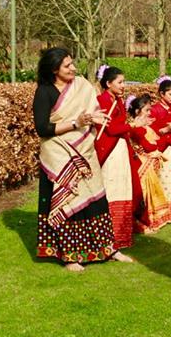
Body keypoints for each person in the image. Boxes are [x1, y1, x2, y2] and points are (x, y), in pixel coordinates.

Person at [32, 48, 131, 271]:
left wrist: (93, 118)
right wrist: (76, 123)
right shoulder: (44, 92)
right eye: (67, 65)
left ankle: (108, 249)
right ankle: (69, 256)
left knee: (97, 200)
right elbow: (42, 128)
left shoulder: (82, 86)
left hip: (85, 151)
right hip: (59, 154)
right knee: (67, 200)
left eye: (72, 63)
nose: (73, 68)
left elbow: (90, 114)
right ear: (54, 69)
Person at [95, 65, 138, 250]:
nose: (123, 86)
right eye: (120, 82)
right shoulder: (102, 100)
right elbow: (111, 128)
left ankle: (121, 236)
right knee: (111, 190)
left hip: (120, 149)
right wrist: (133, 125)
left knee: (123, 188)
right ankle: (107, 236)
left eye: (123, 82)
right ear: (108, 83)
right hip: (110, 151)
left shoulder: (118, 100)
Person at [128, 94, 171, 234]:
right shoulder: (136, 127)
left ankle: (150, 219)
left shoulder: (142, 126)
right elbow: (148, 146)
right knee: (142, 194)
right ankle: (143, 221)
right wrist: (162, 141)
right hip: (140, 164)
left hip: (147, 161)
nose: (149, 113)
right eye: (147, 110)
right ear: (138, 111)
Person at [150, 76, 171, 214]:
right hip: (162, 149)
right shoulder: (154, 110)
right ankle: (161, 210)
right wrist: (165, 130)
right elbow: (150, 131)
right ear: (162, 94)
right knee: (162, 177)